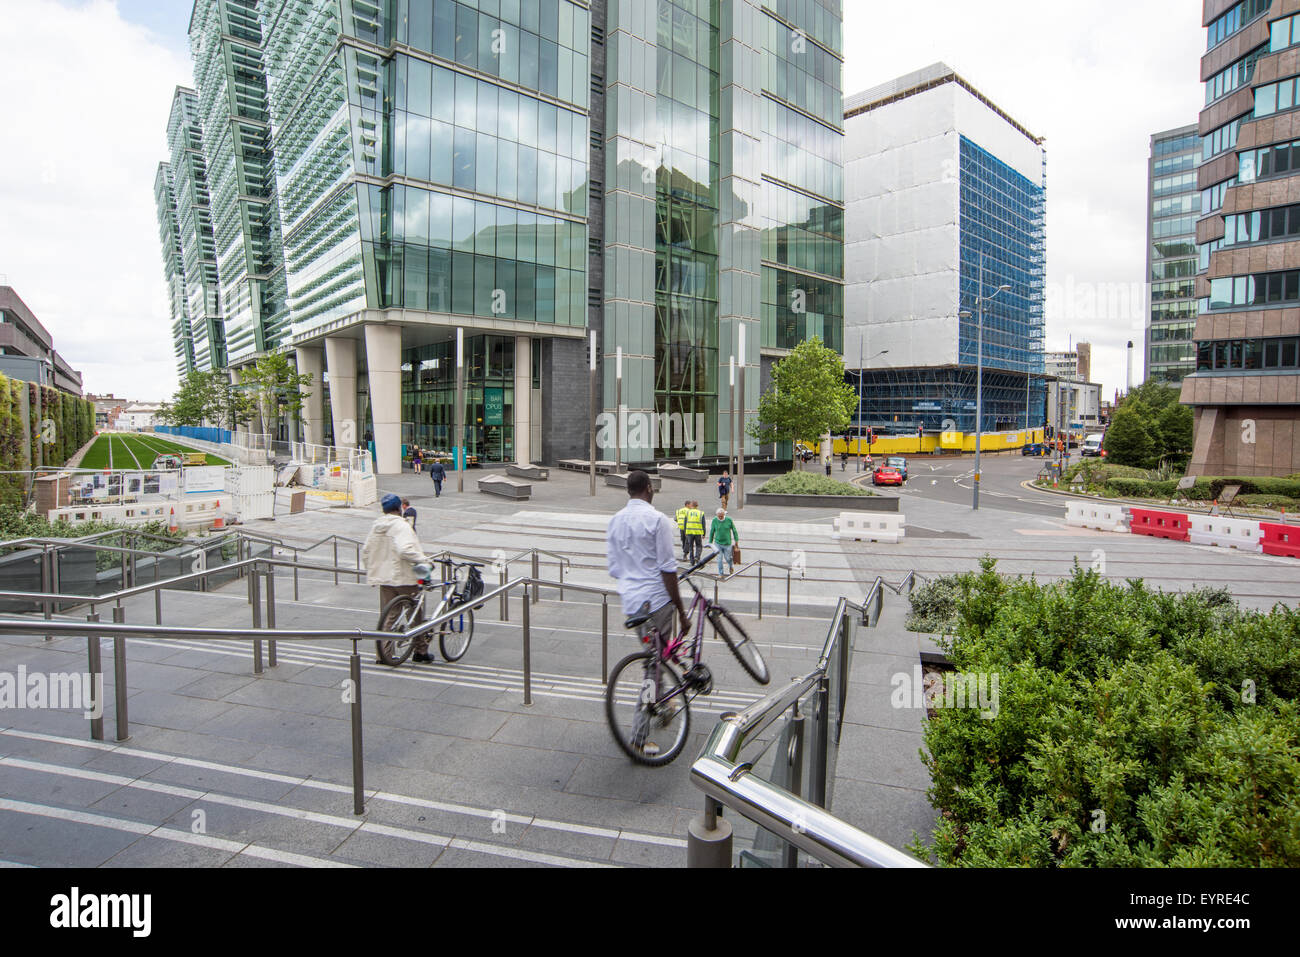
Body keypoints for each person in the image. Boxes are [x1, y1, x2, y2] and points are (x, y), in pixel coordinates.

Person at [606, 470, 692, 686]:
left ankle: (662, 706)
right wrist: (681, 612)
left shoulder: (615, 521)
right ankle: (645, 715)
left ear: (628, 491)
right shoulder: (657, 520)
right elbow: (668, 569)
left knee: (652, 656)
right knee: (654, 665)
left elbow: (615, 569)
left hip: (633, 605)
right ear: (649, 489)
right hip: (656, 604)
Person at [363, 493, 436, 663]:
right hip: (404, 577)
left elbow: (366, 551)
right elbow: (405, 550)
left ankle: (383, 654)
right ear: (399, 509)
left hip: (384, 578)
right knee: (415, 613)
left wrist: (372, 570)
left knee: (389, 616)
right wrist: (424, 561)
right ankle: (420, 650)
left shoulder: (376, 526)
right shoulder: (402, 526)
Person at [708, 507, 739, 577]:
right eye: (719, 516)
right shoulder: (714, 520)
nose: (720, 518)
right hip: (718, 543)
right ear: (717, 515)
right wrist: (710, 542)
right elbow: (712, 531)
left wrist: (736, 540)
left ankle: (731, 566)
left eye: (721, 516)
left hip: (727, 543)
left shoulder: (729, 520)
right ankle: (720, 573)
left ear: (724, 515)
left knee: (728, 558)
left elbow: (734, 530)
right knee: (719, 559)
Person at [684, 500, 705, 564]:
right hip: (697, 532)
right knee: (699, 545)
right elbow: (703, 524)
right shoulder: (701, 513)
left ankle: (692, 561)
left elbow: (685, 523)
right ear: (697, 506)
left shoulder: (687, 512)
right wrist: (704, 533)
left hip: (689, 532)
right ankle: (697, 557)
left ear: (692, 505)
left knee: (690, 546)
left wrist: (685, 531)